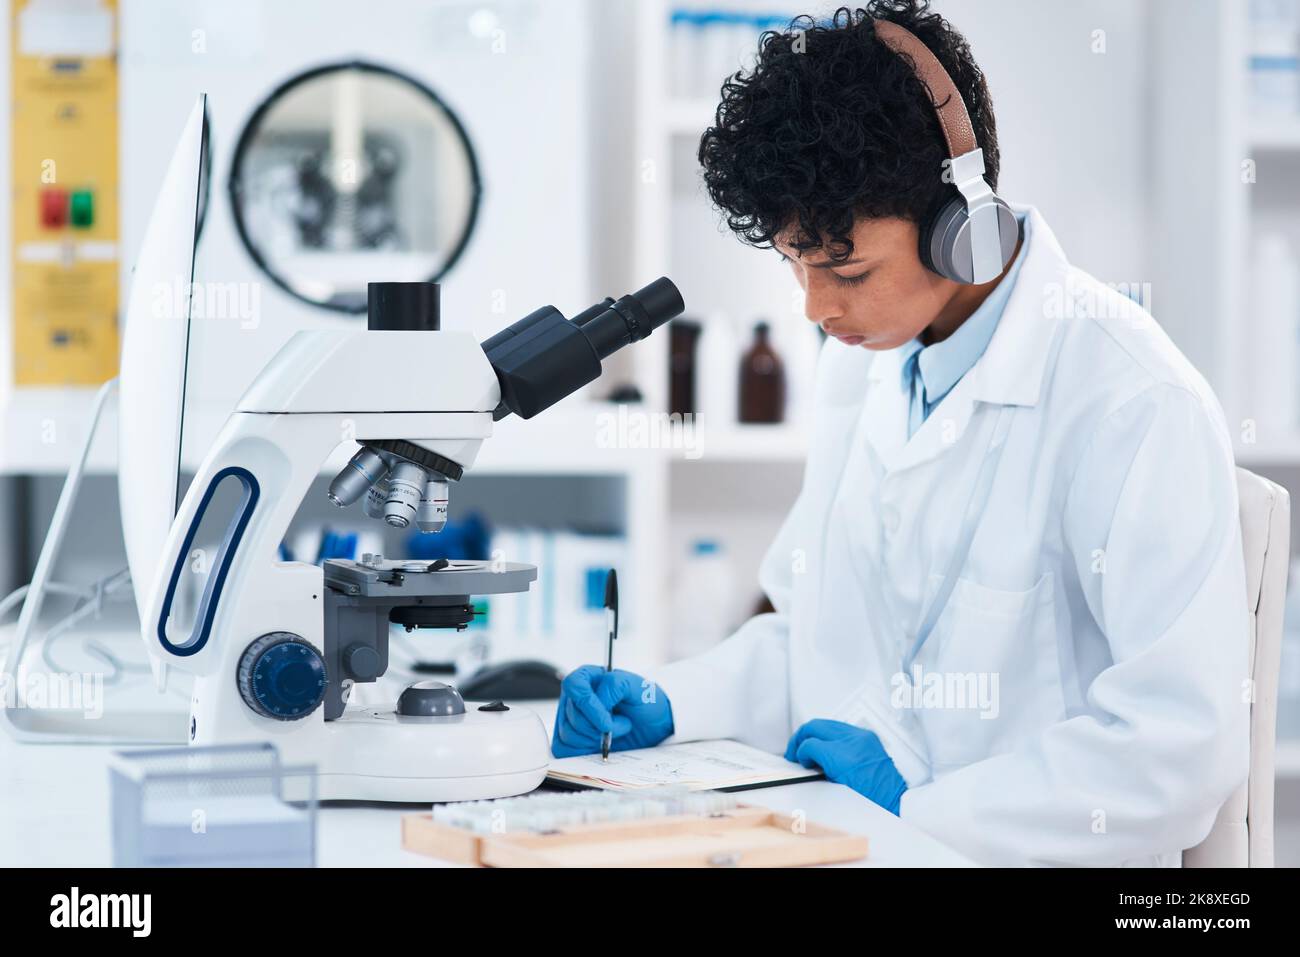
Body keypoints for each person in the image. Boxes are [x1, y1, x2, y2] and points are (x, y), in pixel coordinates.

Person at [552, 1, 1248, 866]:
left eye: (845, 268)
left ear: (965, 227)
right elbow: (810, 635)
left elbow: (1177, 750)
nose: (815, 306)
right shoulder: (869, 361)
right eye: (795, 264)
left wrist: (926, 807)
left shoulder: (1130, 400)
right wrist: (670, 698)